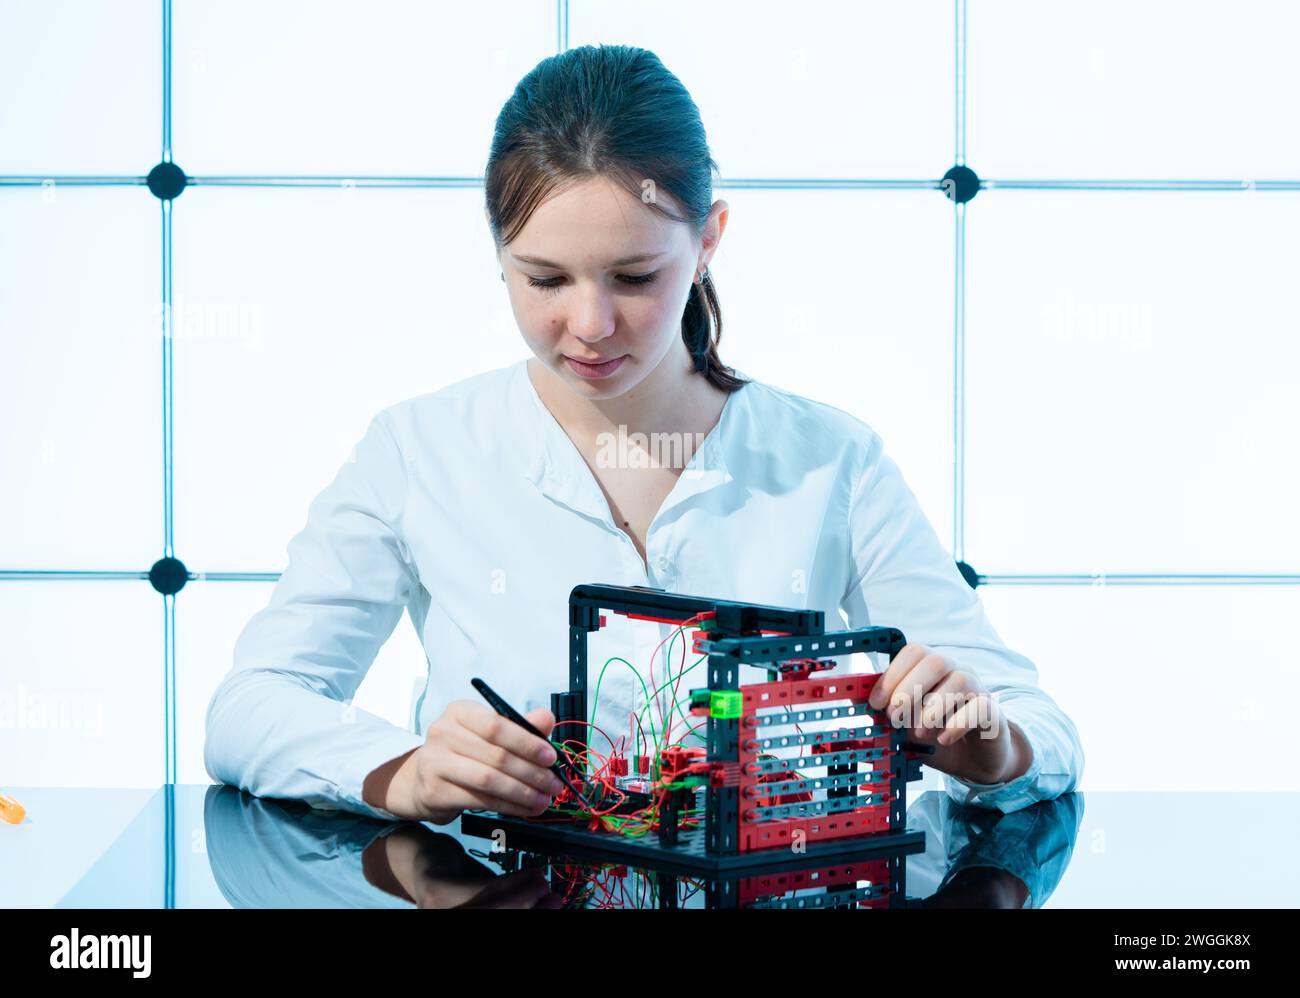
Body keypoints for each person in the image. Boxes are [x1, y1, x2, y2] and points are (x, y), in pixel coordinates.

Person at [204, 44, 1083, 826]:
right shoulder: (418, 450)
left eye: (634, 276)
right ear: (496, 249)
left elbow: (1037, 726)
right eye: (543, 277)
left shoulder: (831, 461)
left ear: (708, 241)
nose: (589, 324)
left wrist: (989, 747)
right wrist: (406, 772)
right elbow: (249, 707)